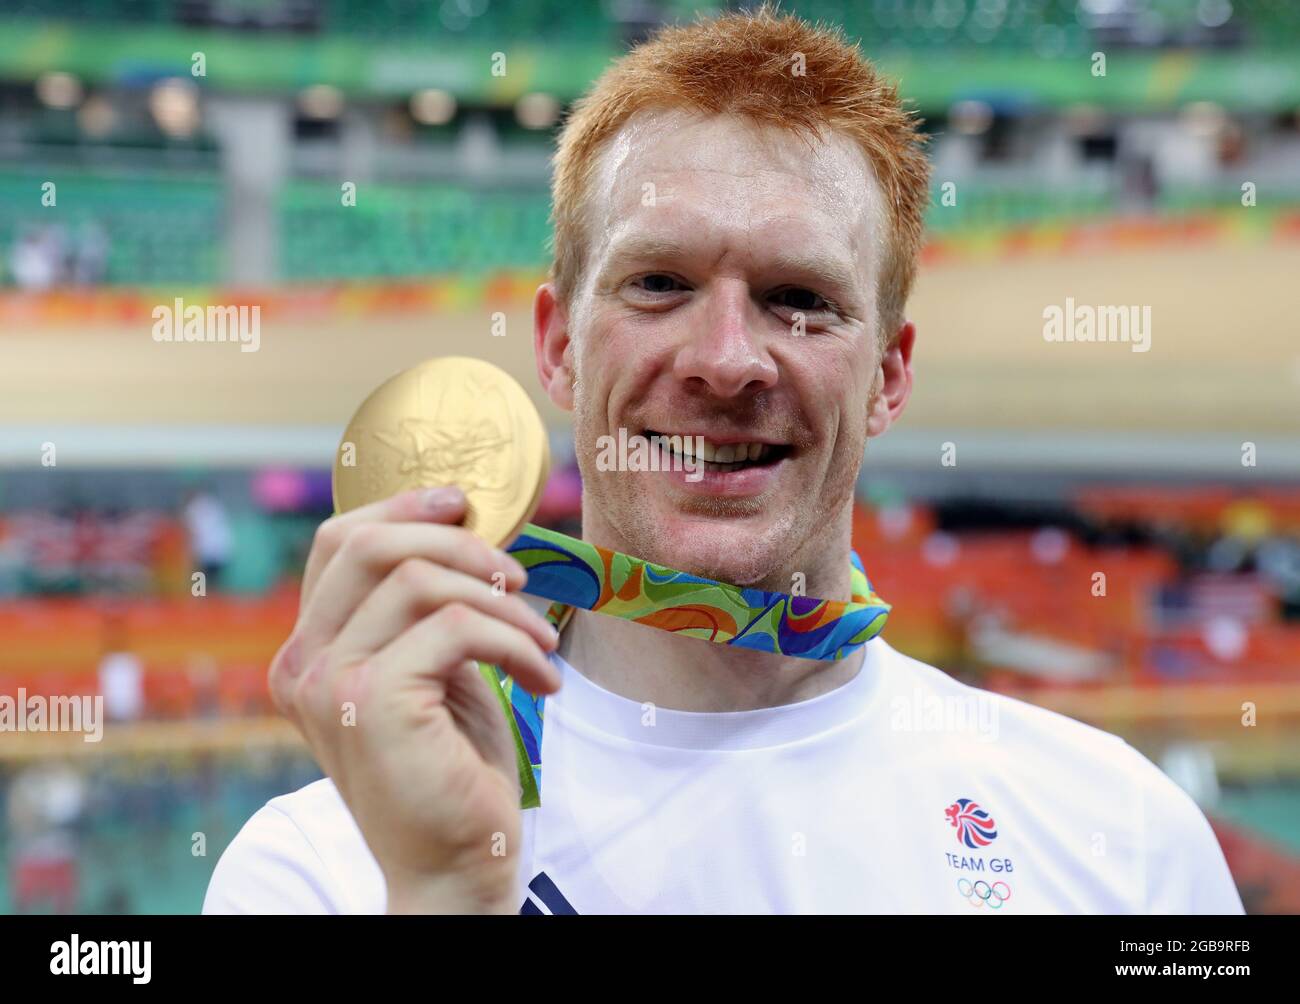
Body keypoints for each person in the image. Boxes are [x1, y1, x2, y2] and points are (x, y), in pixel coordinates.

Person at [204, 9, 1242, 915]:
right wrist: (445, 893)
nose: (726, 360)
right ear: (559, 345)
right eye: (658, 282)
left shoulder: (1125, 838)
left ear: (887, 373)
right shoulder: (326, 869)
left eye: (800, 298)